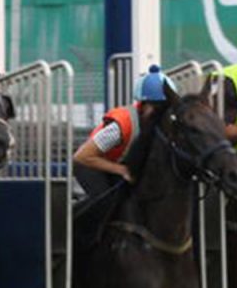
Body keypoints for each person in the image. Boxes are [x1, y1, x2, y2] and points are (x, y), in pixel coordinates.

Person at [73, 64, 176, 199]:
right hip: (91, 166)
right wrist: (122, 170)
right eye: (157, 107)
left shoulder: (167, 124)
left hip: (121, 165)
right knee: (108, 201)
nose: (161, 114)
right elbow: (82, 157)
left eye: (166, 108)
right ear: (143, 104)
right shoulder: (122, 125)